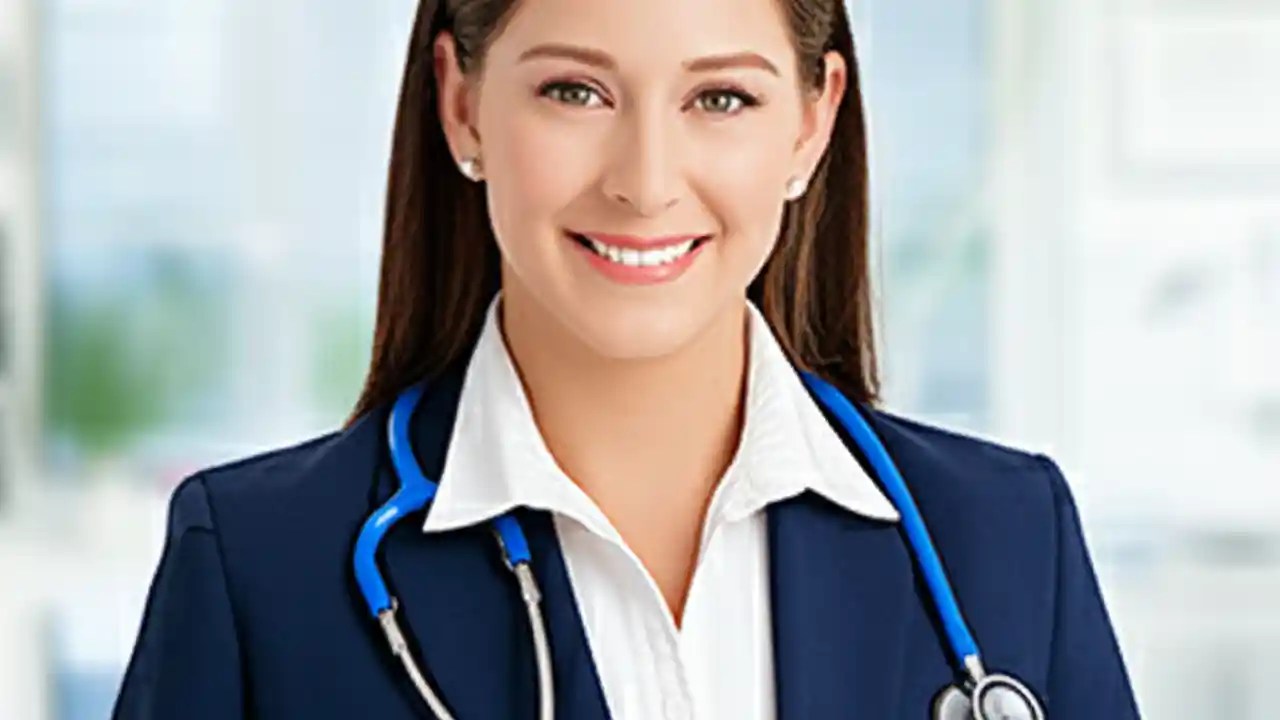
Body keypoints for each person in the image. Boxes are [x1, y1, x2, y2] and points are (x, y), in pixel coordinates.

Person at [112, 0, 1141, 717]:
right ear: (461, 103)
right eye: (574, 92)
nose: (645, 183)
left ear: (810, 121)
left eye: (720, 99)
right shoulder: (256, 569)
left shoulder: (1007, 544)